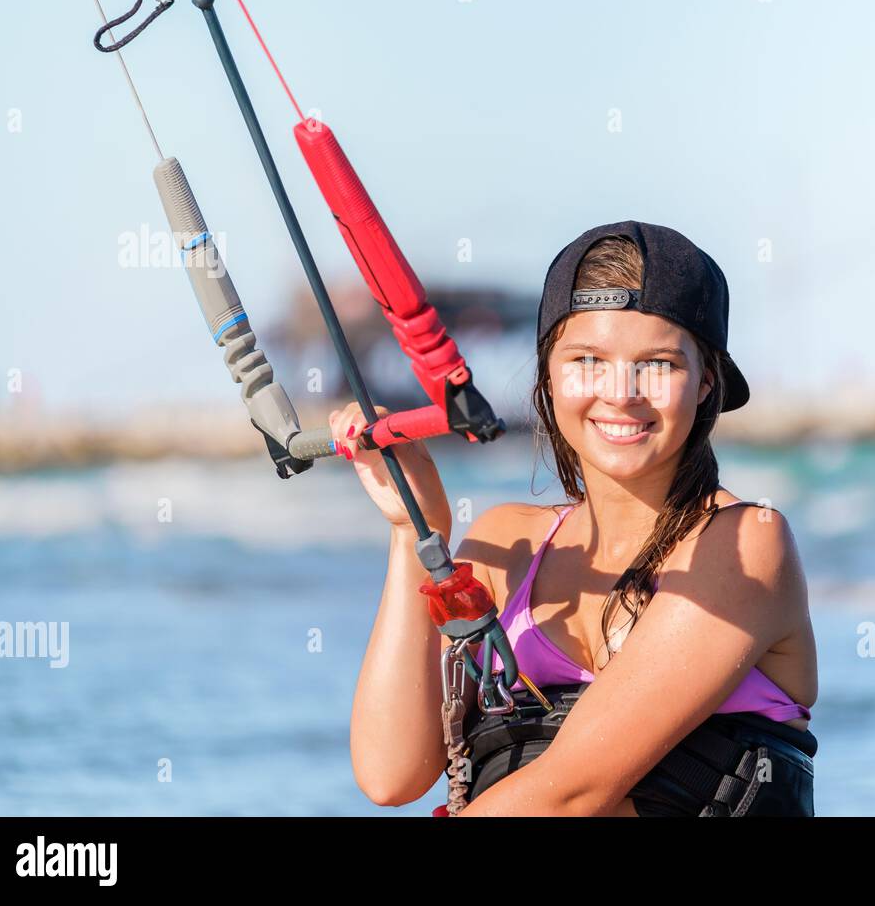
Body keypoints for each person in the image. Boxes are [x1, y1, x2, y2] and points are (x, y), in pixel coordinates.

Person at [334, 221, 818, 816]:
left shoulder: (745, 544)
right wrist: (414, 530)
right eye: (587, 359)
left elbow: (570, 794)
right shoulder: (504, 542)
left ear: (705, 381)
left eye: (658, 363)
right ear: (548, 376)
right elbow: (391, 774)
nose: (621, 392)